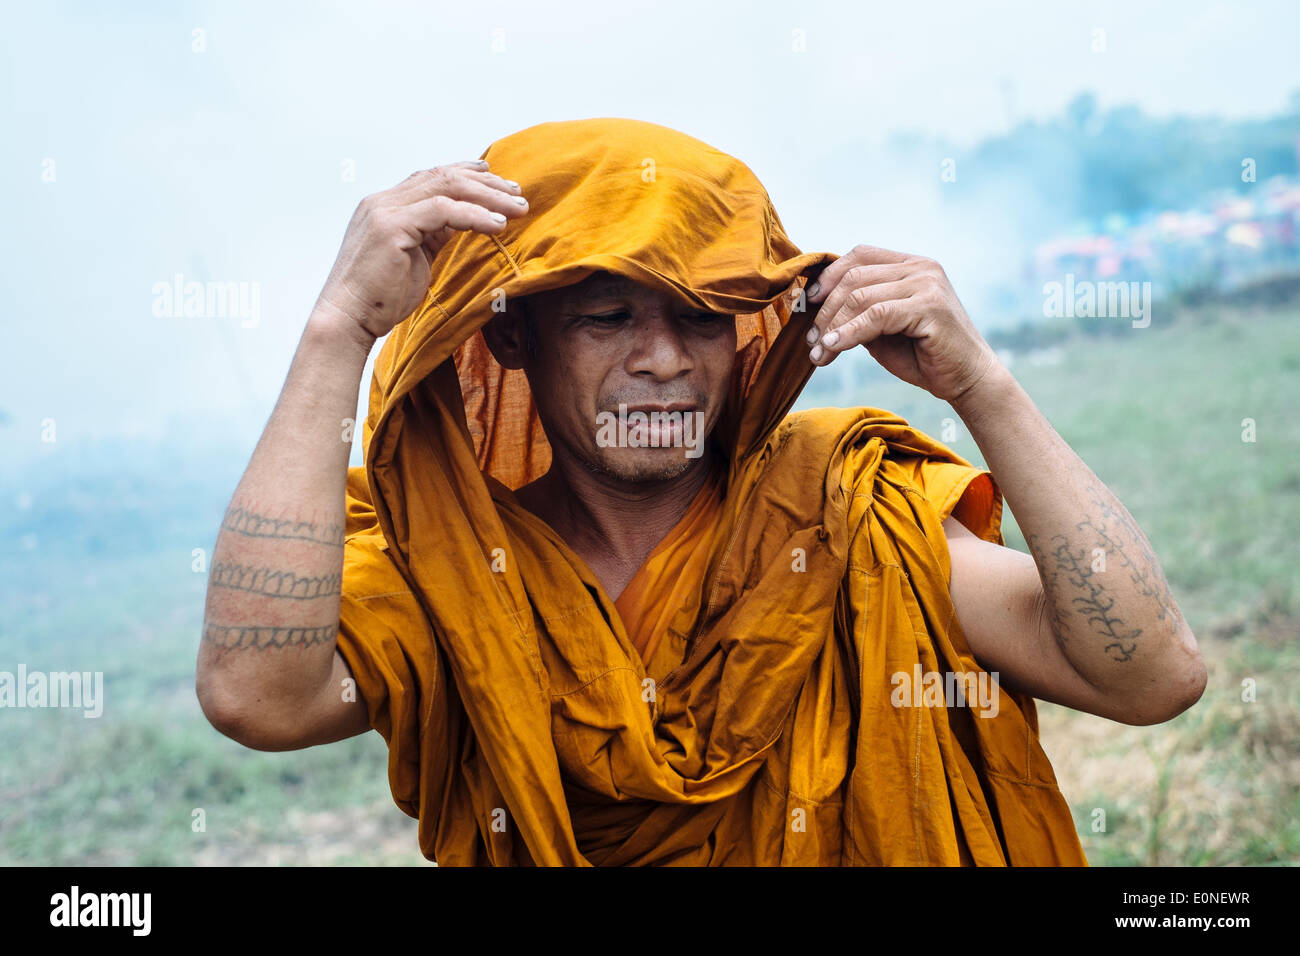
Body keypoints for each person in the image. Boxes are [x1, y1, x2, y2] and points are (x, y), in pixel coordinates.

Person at [195, 117, 1206, 865]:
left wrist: (982, 385)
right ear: (511, 338)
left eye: (704, 317)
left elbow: (1148, 677)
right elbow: (255, 697)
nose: (664, 360)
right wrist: (337, 328)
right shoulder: (453, 562)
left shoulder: (838, 508)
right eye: (606, 315)